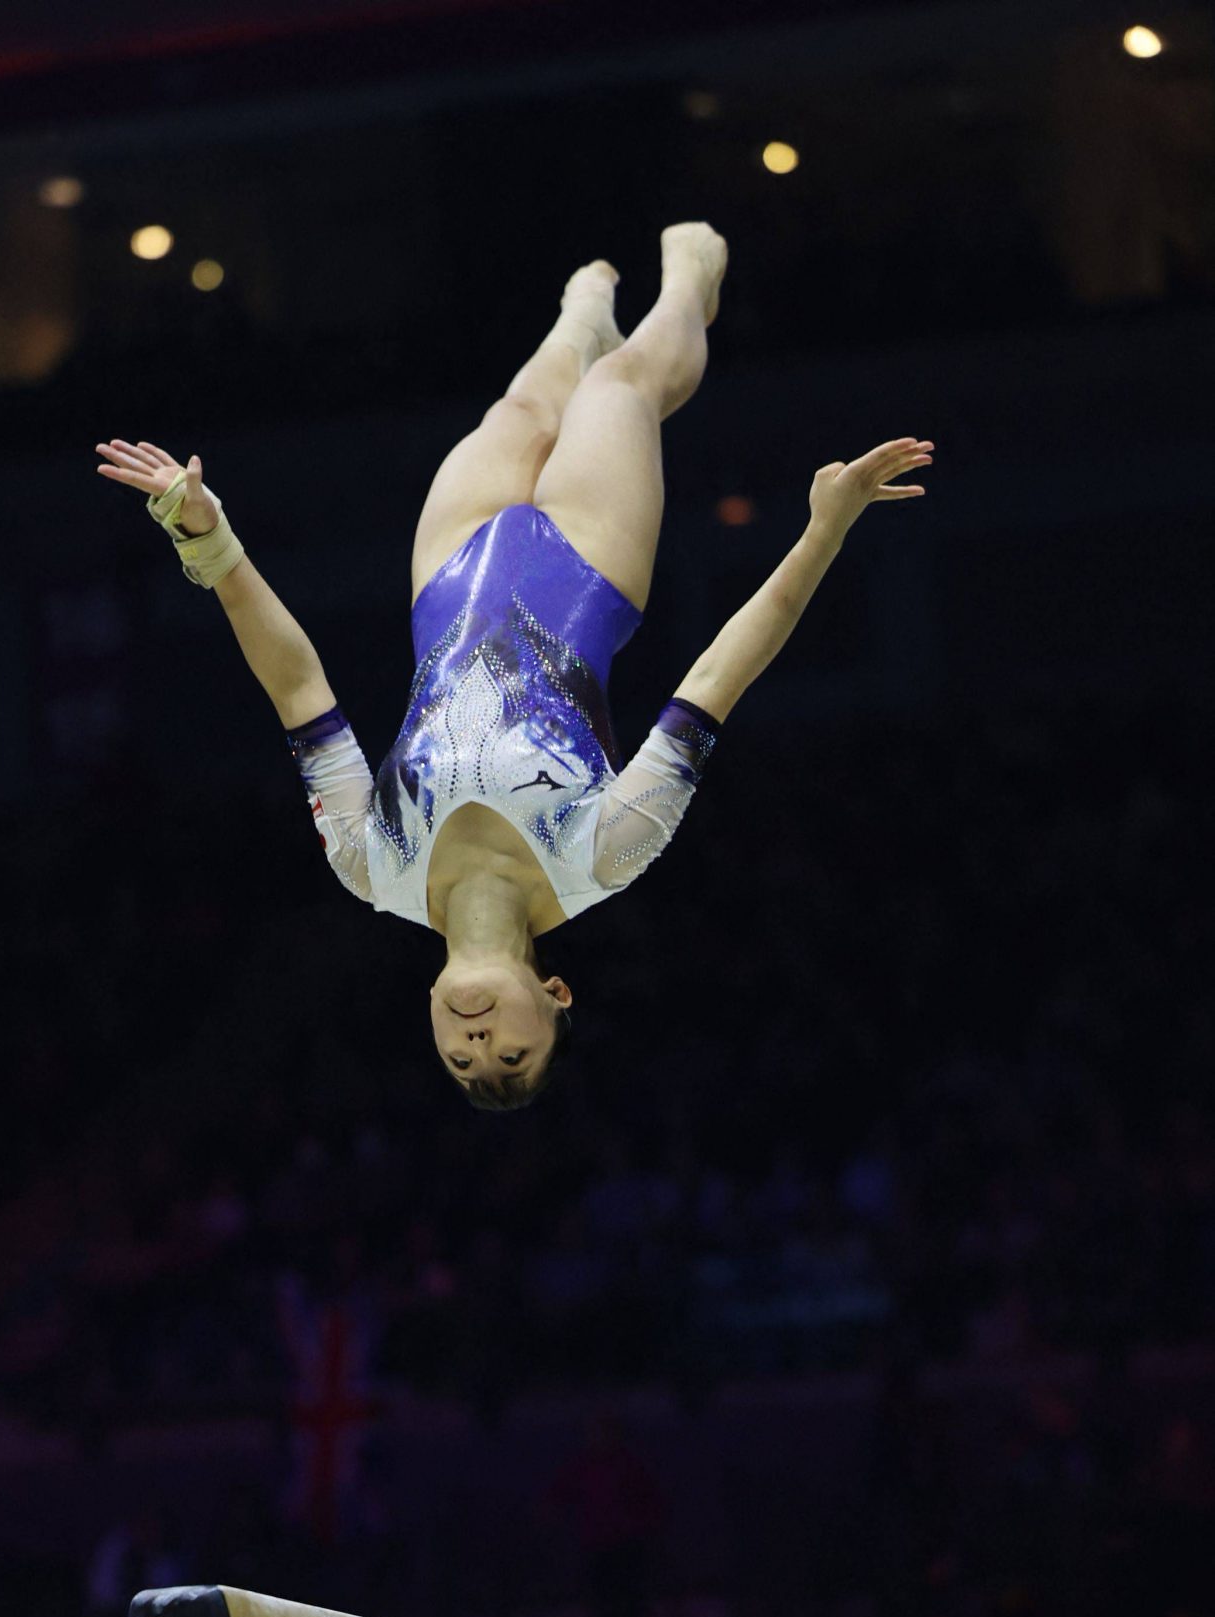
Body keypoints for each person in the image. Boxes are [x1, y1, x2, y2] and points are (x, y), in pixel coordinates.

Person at [96, 223, 932, 1109]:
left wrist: (208, 541)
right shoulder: (605, 856)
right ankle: (691, 287)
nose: (477, 1043)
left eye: (460, 1062)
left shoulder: (368, 864)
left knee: (520, 414)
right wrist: (824, 531)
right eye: (509, 1057)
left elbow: (297, 687)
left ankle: (580, 318)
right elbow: (718, 677)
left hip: (448, 577)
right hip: (585, 573)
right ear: (555, 995)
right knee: (619, 389)